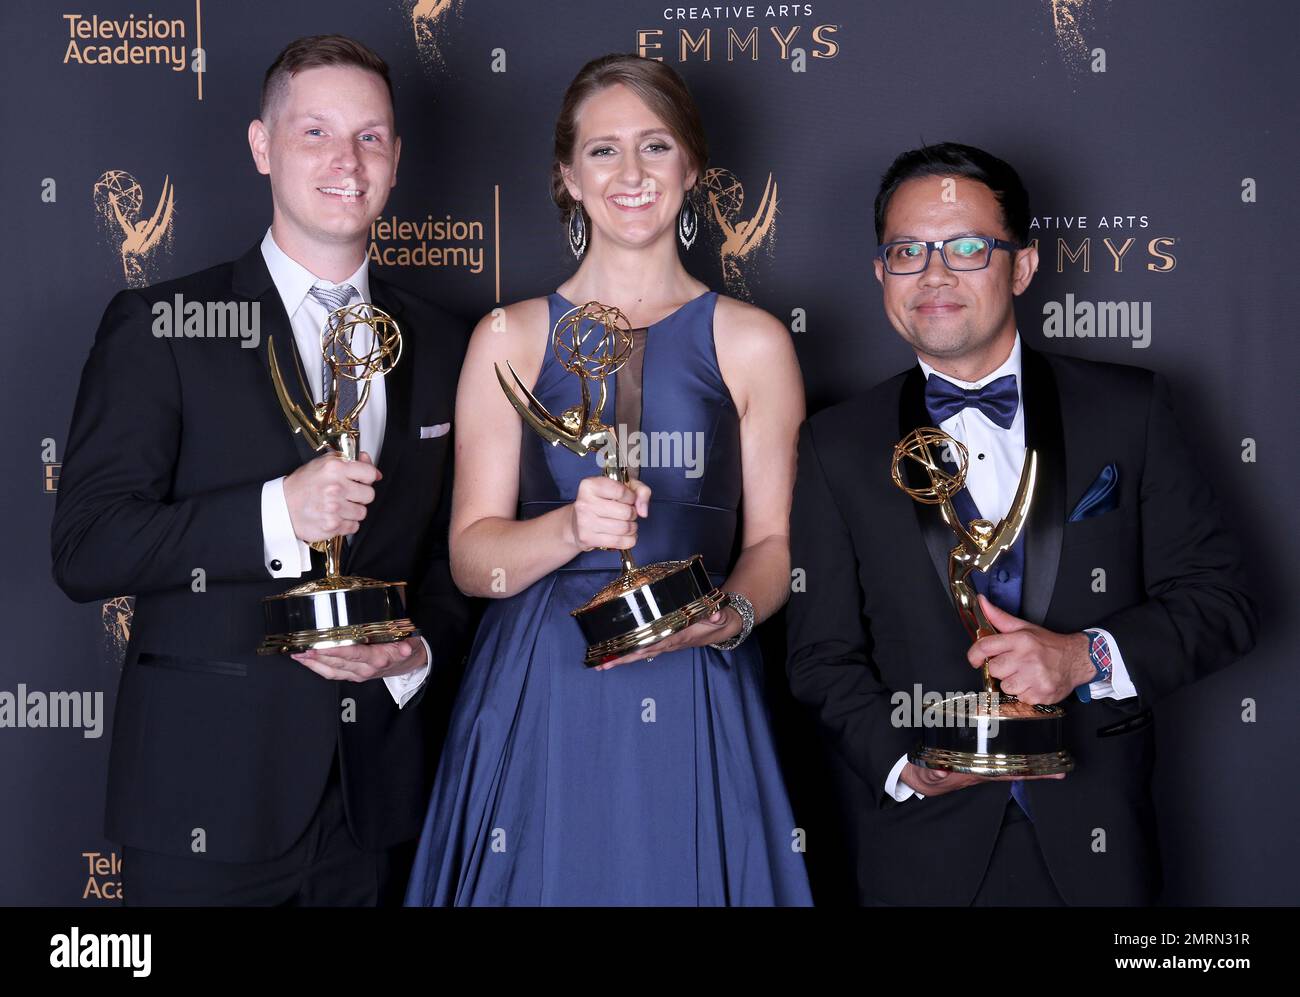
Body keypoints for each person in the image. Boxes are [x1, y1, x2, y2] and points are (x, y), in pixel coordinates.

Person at [50, 35, 469, 906]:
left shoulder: (446, 343)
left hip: (377, 812)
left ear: (396, 159)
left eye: (371, 137)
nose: (346, 161)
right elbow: (87, 547)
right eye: (315, 132)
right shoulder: (160, 326)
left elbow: (453, 561)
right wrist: (278, 513)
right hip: (204, 801)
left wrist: (413, 647)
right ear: (261, 146)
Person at [786, 142, 1258, 906]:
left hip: (1099, 845)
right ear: (881, 274)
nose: (934, 274)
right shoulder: (835, 442)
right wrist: (903, 762)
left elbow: (1223, 602)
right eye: (908, 251)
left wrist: (1084, 658)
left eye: (967, 248)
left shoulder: (1129, 410)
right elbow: (820, 655)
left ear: (1023, 266)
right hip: (922, 857)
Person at [405, 53, 812, 905]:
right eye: (602, 151)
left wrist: (728, 617)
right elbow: (475, 563)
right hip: (541, 684)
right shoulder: (507, 337)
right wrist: (569, 529)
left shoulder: (754, 342)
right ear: (567, 176)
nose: (631, 173)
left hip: (697, 676)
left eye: (656, 147)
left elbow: (773, 544)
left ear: (692, 167)